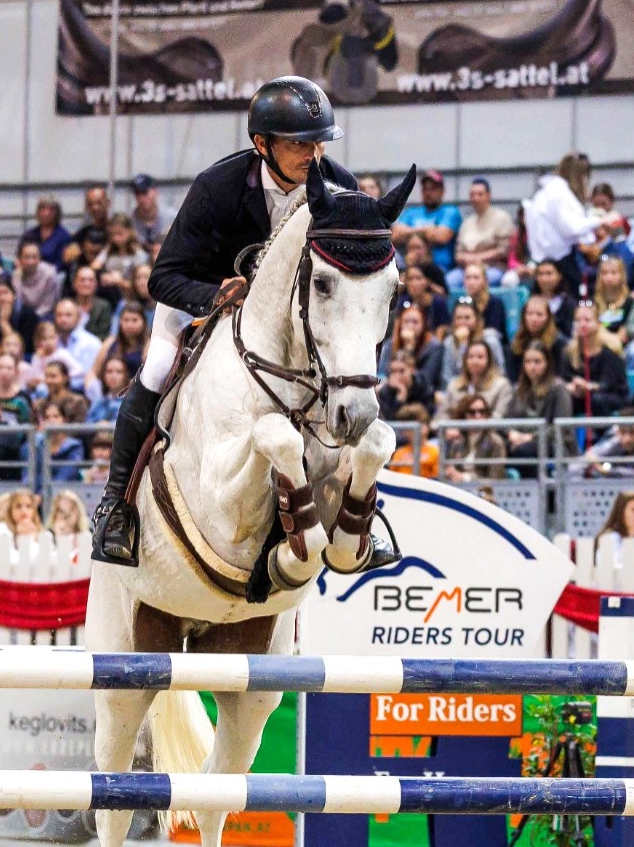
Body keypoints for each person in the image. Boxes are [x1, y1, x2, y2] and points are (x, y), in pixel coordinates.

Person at [92, 76, 378, 566]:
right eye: (299, 144)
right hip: (204, 304)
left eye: (319, 143)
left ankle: (362, 505)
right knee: (157, 368)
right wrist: (215, 294)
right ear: (261, 144)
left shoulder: (338, 188)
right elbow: (164, 278)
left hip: (289, 326)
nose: (313, 155)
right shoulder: (217, 188)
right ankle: (116, 506)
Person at [523, 152, 620, 294]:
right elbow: (572, 228)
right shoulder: (559, 194)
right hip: (560, 260)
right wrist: (599, 221)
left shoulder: (543, 193)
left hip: (543, 257)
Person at [505, 340, 574, 472]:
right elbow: (506, 418)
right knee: (500, 447)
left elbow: (561, 427)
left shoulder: (558, 388)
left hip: (554, 444)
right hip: (521, 441)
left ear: (547, 363)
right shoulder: (518, 389)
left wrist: (531, 437)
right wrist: (511, 433)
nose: (532, 366)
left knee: (523, 451)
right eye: (528, 362)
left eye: (537, 361)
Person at [559, 303, 628, 417]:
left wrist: (587, 386)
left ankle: (605, 433)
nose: (582, 324)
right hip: (581, 396)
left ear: (598, 323)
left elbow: (608, 385)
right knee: (563, 398)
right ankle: (562, 433)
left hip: (611, 395)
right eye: (578, 320)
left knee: (596, 399)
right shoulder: (568, 352)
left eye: (587, 320)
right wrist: (571, 388)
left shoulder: (611, 351)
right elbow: (563, 380)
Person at [392, 169, 461, 272]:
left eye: (433, 189)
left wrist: (411, 232)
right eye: (425, 189)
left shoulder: (450, 211)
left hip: (441, 268)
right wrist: (428, 230)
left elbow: (442, 237)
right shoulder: (411, 212)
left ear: (442, 191)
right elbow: (395, 235)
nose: (428, 193)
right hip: (411, 267)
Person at [453, 177, 514, 285]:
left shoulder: (502, 218)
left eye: (480, 194)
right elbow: (458, 253)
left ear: (489, 195)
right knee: (450, 281)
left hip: (492, 268)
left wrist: (478, 258)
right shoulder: (466, 223)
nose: (476, 198)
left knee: (479, 281)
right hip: (466, 269)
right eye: (472, 195)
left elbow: (504, 250)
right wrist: (467, 260)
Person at [441, 393, 507, 482]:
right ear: (464, 415)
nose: (478, 416)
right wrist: (450, 472)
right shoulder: (458, 443)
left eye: (482, 412)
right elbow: (451, 469)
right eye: (472, 412)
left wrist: (465, 478)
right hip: (459, 490)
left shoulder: (495, 442)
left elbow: (495, 478)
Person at [439, 298, 503, 389]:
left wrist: (463, 345)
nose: (462, 322)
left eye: (467, 318)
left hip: (488, 388)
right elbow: (447, 376)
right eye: (458, 318)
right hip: (459, 390)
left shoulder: (491, 341)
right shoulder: (449, 342)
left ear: (477, 319)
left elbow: (501, 371)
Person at [439, 339, 511, 419]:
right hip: (456, 430)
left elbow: (499, 416)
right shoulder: (454, 385)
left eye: (480, 357)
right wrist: (450, 428)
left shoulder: (501, 385)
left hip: (488, 430)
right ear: (465, 360)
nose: (475, 361)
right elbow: (443, 414)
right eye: (470, 357)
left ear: (489, 360)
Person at [379, 304, 443, 390]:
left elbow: (426, 380)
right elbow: (382, 374)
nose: (410, 326)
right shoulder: (390, 345)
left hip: (420, 394)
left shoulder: (434, 347)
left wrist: (409, 349)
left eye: (415, 322)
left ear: (423, 325)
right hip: (391, 389)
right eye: (406, 321)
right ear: (400, 325)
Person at [575, 413, 634, 478]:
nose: (626, 439)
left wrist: (607, 471)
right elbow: (589, 456)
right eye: (622, 432)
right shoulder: (617, 441)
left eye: (632, 433)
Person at [507, 295, 565, 382]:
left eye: (539, 315)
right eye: (530, 314)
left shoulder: (557, 342)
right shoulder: (517, 342)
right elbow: (512, 376)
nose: (534, 319)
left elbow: (560, 375)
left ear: (548, 317)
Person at [20, 196, 72, 272]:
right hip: (29, 274)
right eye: (42, 209)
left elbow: (63, 263)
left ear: (57, 212)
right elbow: (19, 256)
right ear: (37, 212)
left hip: (54, 276)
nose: (46, 213)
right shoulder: (29, 235)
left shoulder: (64, 236)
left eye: (51, 210)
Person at [13, 241, 62, 321]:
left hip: (45, 315)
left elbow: (48, 305)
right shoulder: (16, 275)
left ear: (39, 258)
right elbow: (18, 302)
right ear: (20, 259)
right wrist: (18, 277)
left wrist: (33, 319)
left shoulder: (49, 274)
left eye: (34, 257)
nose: (30, 262)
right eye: (26, 257)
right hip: (24, 315)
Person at [387, 404, 440, 478]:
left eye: (421, 424)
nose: (410, 431)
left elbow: (437, 480)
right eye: (408, 428)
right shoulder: (399, 453)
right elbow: (391, 478)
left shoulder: (435, 452)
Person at [593, 256, 633, 345]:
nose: (609, 277)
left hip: (622, 345)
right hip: (599, 343)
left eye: (613, 273)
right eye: (604, 273)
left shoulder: (630, 302)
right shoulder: (594, 302)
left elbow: (623, 334)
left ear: (622, 275)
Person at [532, 258, 577, 338]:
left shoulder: (569, 303)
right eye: (540, 274)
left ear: (559, 276)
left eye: (549, 273)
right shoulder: (530, 301)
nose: (544, 278)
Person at [131, 175, 175, 248]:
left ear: (155, 192)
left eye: (145, 192)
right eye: (137, 194)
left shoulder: (172, 217)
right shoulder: (130, 221)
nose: (142, 198)